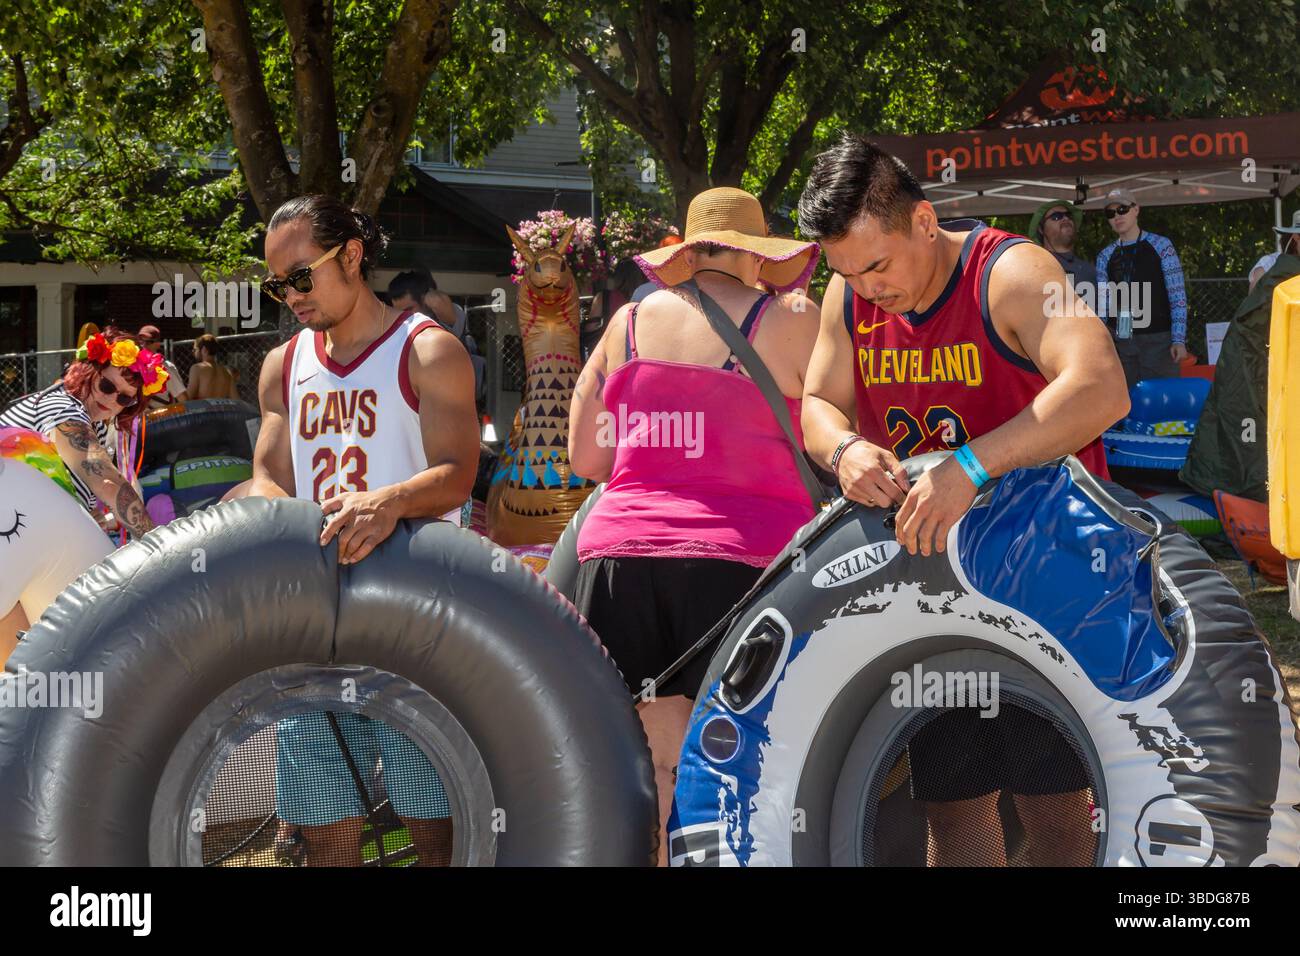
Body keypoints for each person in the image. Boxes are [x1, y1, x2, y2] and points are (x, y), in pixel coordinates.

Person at [796, 134, 1128, 866]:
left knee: (1059, 810)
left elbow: (1102, 387)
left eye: (876, 264)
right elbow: (818, 401)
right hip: (931, 589)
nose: (867, 287)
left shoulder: (1010, 272)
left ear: (922, 220)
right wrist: (844, 449)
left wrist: (970, 466)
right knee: (952, 808)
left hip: (1044, 581)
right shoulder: (847, 294)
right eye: (848, 272)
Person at [568, 186, 821, 864]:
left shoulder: (626, 324)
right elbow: (836, 434)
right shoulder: (794, 317)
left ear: (688, 251)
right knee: (743, 766)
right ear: (757, 256)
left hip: (621, 561)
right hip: (745, 566)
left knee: (651, 765)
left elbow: (585, 455)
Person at [249, 194, 479, 866]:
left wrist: (389, 502)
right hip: (315, 625)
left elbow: (460, 473)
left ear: (351, 256)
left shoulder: (427, 350)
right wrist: (266, 505)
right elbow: (268, 477)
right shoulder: (283, 365)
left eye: (301, 275)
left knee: (434, 828)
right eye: (276, 283)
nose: (290, 295)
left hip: (415, 624)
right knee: (327, 835)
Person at [0, 327, 161, 651]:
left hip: (18, 540)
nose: (111, 398)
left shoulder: (89, 421)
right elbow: (101, 476)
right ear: (88, 371)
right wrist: (161, 548)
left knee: (21, 670)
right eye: (106, 384)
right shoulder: (63, 406)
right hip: (11, 531)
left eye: (124, 398)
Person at [1094, 188, 1189, 388]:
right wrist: (1101, 343)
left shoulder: (1162, 245)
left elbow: (1177, 295)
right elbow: (1104, 305)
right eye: (1110, 213)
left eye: (1122, 209)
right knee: (1128, 406)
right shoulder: (1105, 256)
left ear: (1136, 210)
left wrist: (1178, 340)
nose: (1117, 216)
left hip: (1160, 341)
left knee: (1164, 404)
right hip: (1124, 339)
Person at [388, 270, 487, 411]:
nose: (404, 317)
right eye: (400, 312)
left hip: (451, 407)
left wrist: (427, 292)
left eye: (409, 310)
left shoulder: (444, 320)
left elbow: (438, 301)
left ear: (425, 301)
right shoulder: (399, 331)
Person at [1027, 201, 1096, 289]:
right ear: (1041, 229)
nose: (1066, 218)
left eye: (1069, 215)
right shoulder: (1033, 269)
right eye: (1056, 217)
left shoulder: (1091, 270)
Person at [135, 325, 190, 407]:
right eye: (141, 342)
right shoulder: (132, 366)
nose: (143, 346)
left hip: (158, 417)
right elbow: (184, 399)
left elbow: (183, 398)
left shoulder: (165, 368)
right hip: (139, 418)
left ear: (157, 344)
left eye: (148, 342)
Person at [186, 333, 239, 400]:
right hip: (221, 409)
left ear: (204, 350)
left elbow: (187, 398)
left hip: (203, 409)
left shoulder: (197, 369)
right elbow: (236, 399)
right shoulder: (227, 372)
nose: (194, 352)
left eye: (195, 349)